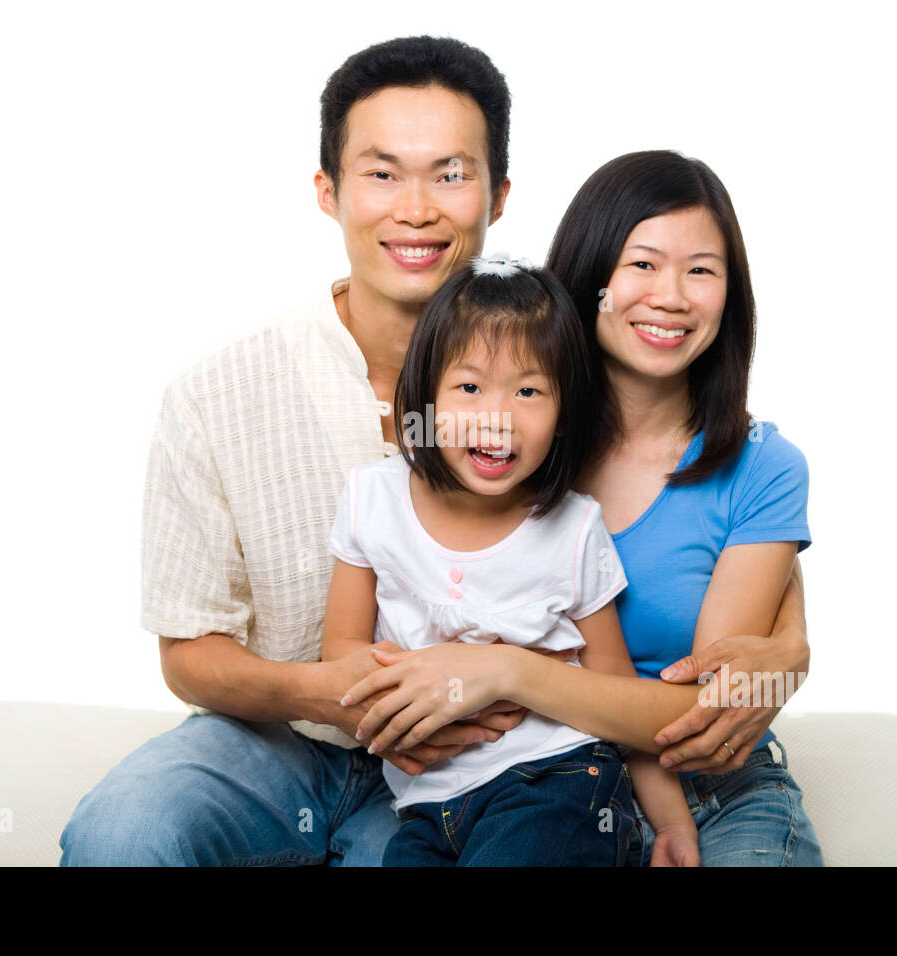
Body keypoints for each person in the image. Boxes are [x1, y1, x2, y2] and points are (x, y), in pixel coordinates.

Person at [59, 35, 529, 866]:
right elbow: (189, 651)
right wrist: (333, 696)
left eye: (450, 175)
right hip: (273, 739)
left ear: (497, 196)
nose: (415, 209)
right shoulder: (217, 393)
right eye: (381, 174)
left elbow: (699, 505)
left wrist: (786, 647)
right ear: (328, 191)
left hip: (471, 762)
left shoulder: (554, 386)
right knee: (122, 835)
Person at [341, 150, 823, 866]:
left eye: (702, 271)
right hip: (483, 780)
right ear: (592, 273)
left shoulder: (763, 467)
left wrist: (509, 671)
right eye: (642, 264)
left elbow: (702, 709)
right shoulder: (509, 455)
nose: (671, 296)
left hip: (690, 784)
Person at [321, 256, 699, 866]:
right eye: (469, 388)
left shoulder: (573, 529)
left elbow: (620, 696)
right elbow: (339, 650)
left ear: (563, 411)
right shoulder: (373, 499)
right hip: (426, 805)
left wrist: (673, 825)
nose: (497, 418)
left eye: (528, 391)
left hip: (555, 782)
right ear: (426, 396)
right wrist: (417, 688)